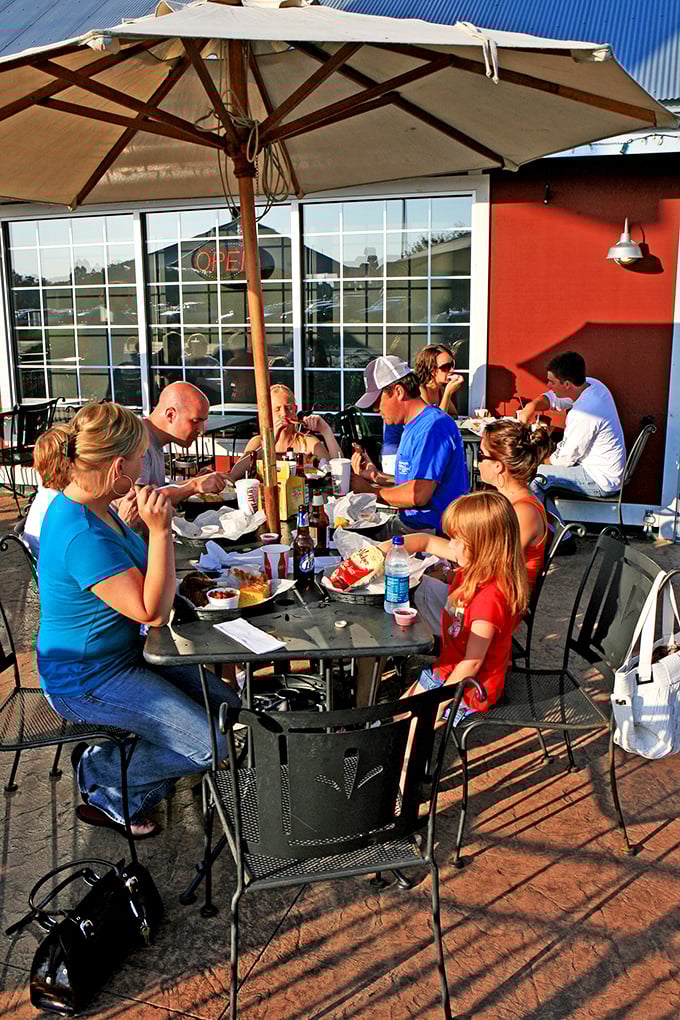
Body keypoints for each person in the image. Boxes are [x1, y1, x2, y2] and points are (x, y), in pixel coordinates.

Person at [36, 403, 239, 839]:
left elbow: (144, 581)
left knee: (228, 706)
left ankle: (133, 774)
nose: (142, 467)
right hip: (86, 678)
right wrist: (160, 530)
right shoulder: (82, 533)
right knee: (212, 743)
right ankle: (101, 770)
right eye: (139, 458)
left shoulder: (97, 506)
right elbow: (153, 611)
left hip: (126, 655)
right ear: (117, 468)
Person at [410, 419, 551, 636]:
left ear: (498, 466)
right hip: (483, 594)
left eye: (482, 456)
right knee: (418, 578)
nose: (477, 463)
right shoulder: (505, 502)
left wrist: (447, 574)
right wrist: (421, 542)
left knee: (412, 590)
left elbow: (489, 565)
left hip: (492, 610)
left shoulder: (523, 512)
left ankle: (432, 650)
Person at [401, 490, 529, 721]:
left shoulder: (489, 600)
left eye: (457, 540)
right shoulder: (469, 572)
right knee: (396, 716)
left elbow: (472, 663)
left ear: (483, 546)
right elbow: (426, 542)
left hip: (470, 689)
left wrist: (437, 703)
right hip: (448, 669)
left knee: (410, 729)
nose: (450, 546)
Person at [352, 355, 469, 534]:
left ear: (398, 391)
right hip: (415, 525)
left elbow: (418, 494)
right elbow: (415, 481)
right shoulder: (415, 424)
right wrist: (376, 477)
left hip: (433, 532)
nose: (376, 410)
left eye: (377, 402)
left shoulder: (433, 428)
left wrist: (369, 492)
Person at [517, 352, 626, 509]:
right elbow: (553, 398)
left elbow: (563, 460)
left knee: (536, 476)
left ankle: (547, 523)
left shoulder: (584, 413)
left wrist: (533, 461)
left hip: (601, 479)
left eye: (552, 382)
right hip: (603, 469)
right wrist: (531, 407)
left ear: (567, 384)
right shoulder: (592, 385)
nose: (548, 385)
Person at [117, 381, 232, 526]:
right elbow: (140, 504)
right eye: (195, 421)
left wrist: (194, 482)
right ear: (171, 415)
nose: (201, 430)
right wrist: (194, 485)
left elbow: (156, 491)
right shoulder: (138, 441)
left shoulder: (149, 437)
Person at [380, 344, 465, 467]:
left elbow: (453, 414)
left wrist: (446, 394)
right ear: (432, 369)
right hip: (398, 450)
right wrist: (448, 393)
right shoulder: (420, 389)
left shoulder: (439, 389)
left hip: (418, 447)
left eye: (452, 364)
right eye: (446, 367)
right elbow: (432, 424)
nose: (451, 370)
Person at [242, 383, 343, 462]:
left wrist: (326, 430)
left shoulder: (307, 443)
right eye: (277, 409)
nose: (284, 413)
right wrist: (272, 441)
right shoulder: (257, 442)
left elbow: (339, 469)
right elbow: (236, 473)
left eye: (288, 408)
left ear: (295, 411)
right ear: (267, 414)